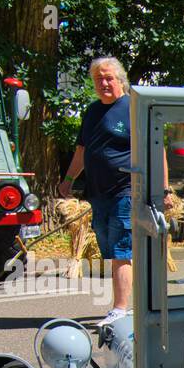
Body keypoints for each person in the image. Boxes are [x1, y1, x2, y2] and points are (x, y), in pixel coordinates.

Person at [58, 57, 133, 327]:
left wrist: (163, 187)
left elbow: (155, 147)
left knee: (122, 248)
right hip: (98, 193)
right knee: (110, 248)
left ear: (120, 79)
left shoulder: (132, 108)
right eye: (98, 79)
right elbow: (82, 150)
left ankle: (120, 308)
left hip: (126, 190)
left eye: (108, 77)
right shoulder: (91, 112)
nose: (103, 83)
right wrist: (68, 179)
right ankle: (128, 301)